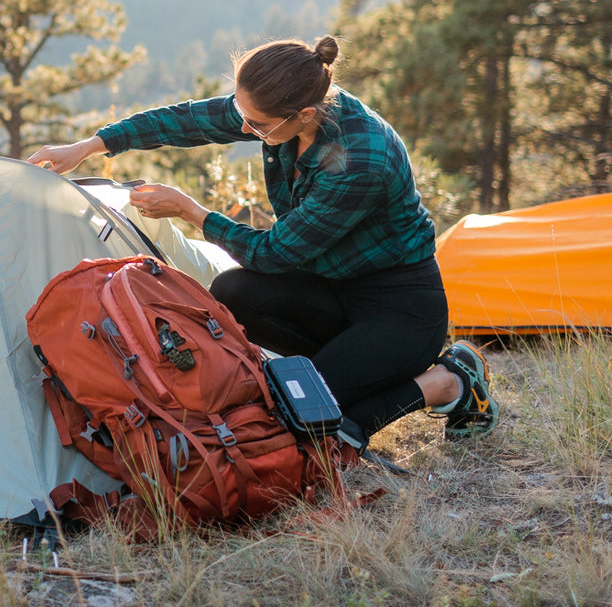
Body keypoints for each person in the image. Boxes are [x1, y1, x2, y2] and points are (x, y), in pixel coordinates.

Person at [27, 35, 500, 449]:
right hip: (327, 288)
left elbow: (275, 253)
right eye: (242, 116)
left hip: (398, 307)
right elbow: (186, 121)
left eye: (255, 124)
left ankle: (448, 381)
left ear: (305, 115)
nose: (245, 127)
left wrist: (192, 212)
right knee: (234, 293)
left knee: (307, 424)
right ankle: (338, 375)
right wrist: (89, 146)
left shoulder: (360, 160)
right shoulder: (281, 109)